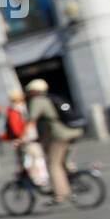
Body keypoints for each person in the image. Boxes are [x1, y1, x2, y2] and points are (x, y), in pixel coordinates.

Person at [24, 78, 82, 206]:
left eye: (29, 91)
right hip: (70, 132)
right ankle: (75, 178)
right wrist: (40, 138)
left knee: (53, 164)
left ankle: (60, 194)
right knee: (62, 161)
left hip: (59, 135)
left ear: (34, 91)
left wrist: (22, 137)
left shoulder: (37, 101)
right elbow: (49, 122)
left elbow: (32, 120)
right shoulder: (50, 98)